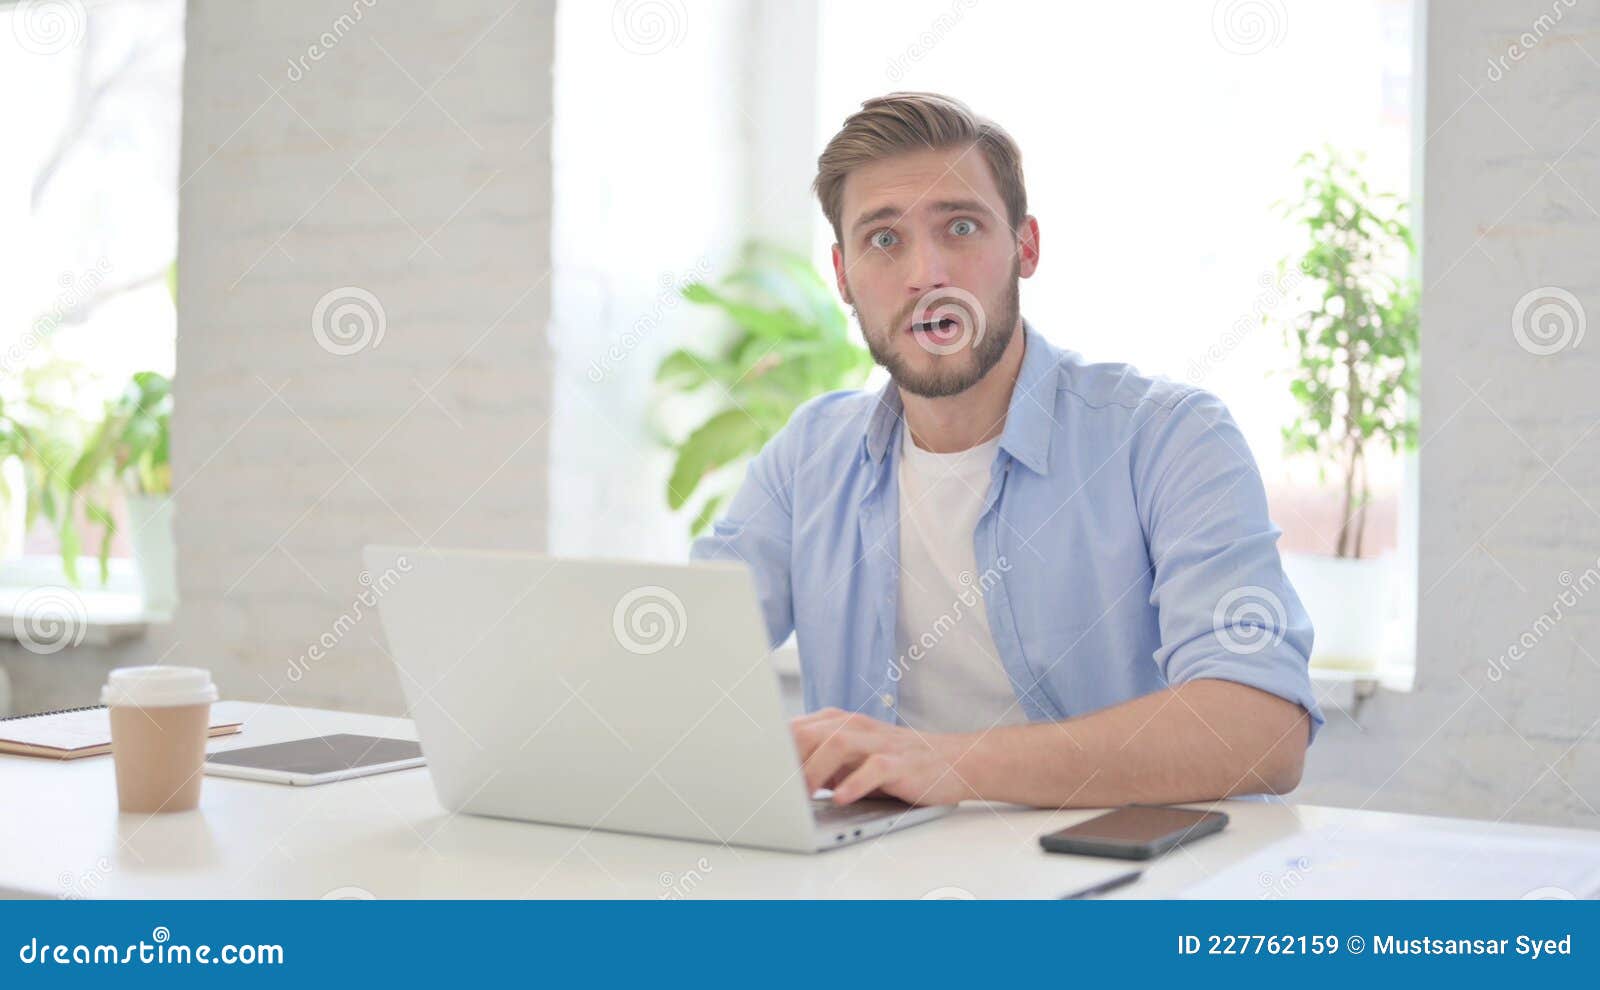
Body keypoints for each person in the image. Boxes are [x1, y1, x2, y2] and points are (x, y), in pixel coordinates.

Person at [692, 92, 1320, 809]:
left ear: (1026, 247)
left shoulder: (1170, 437)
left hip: (1111, 865)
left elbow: (1260, 727)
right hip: (877, 864)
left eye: (960, 227)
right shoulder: (809, 457)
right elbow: (679, 662)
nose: (926, 272)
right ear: (842, 274)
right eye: (884, 239)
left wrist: (946, 764)